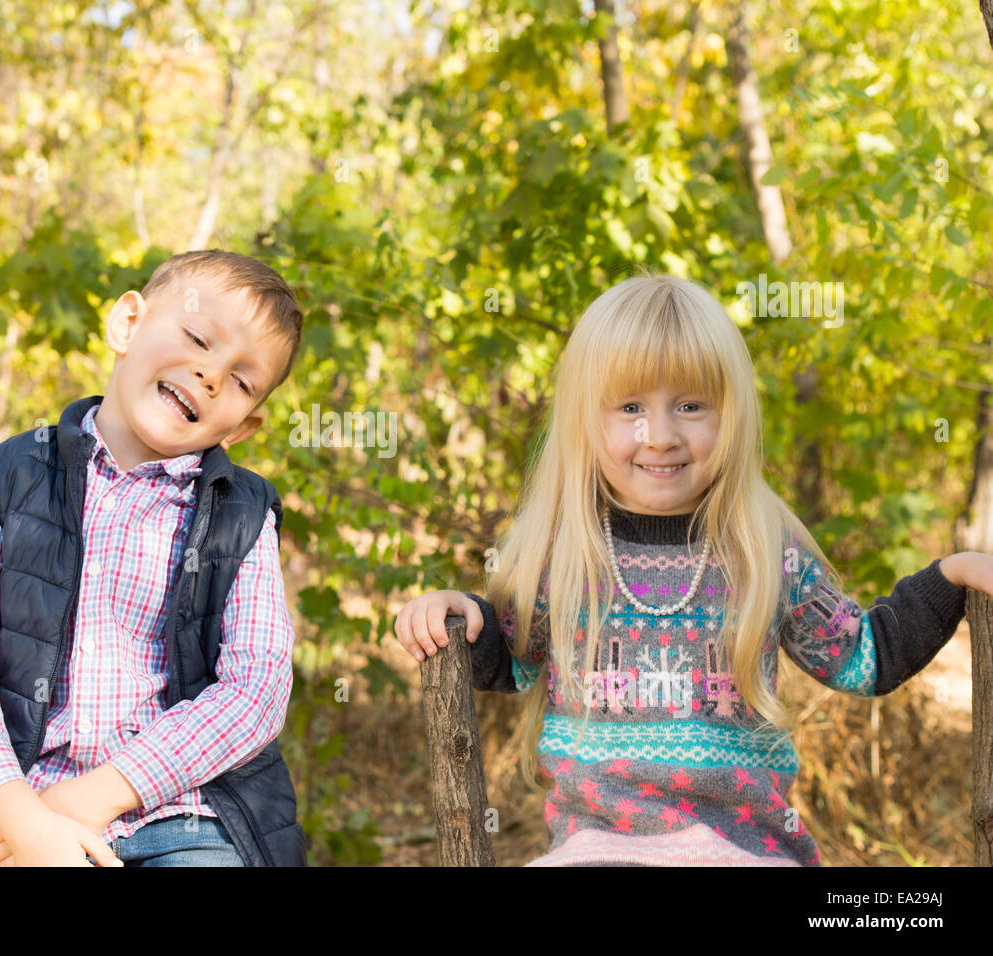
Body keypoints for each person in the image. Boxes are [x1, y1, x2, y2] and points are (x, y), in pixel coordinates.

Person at [394, 271, 993, 866]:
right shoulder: (563, 551)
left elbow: (866, 657)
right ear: (585, 419)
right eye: (630, 407)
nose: (660, 435)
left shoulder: (762, 549)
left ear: (729, 414)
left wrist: (952, 575)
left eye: (690, 405)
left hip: (744, 852)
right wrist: (459, 612)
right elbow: (510, 659)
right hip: (598, 850)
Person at [0, 250, 307, 867]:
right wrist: (26, 819)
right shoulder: (10, 477)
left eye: (241, 380)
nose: (210, 375)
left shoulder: (241, 515)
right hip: (23, 813)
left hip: (185, 816)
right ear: (127, 324)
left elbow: (253, 690)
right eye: (199, 338)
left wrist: (101, 795)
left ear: (244, 425)